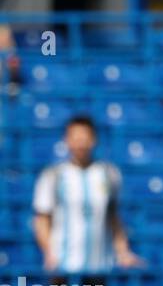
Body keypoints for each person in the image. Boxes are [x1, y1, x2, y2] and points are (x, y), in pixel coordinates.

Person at [32, 116, 140, 275]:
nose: (80, 143)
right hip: (62, 266)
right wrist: (49, 252)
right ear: (66, 140)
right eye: (75, 137)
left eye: (85, 137)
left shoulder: (109, 173)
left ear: (94, 140)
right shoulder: (53, 175)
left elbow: (113, 216)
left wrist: (122, 250)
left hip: (98, 266)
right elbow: (42, 219)